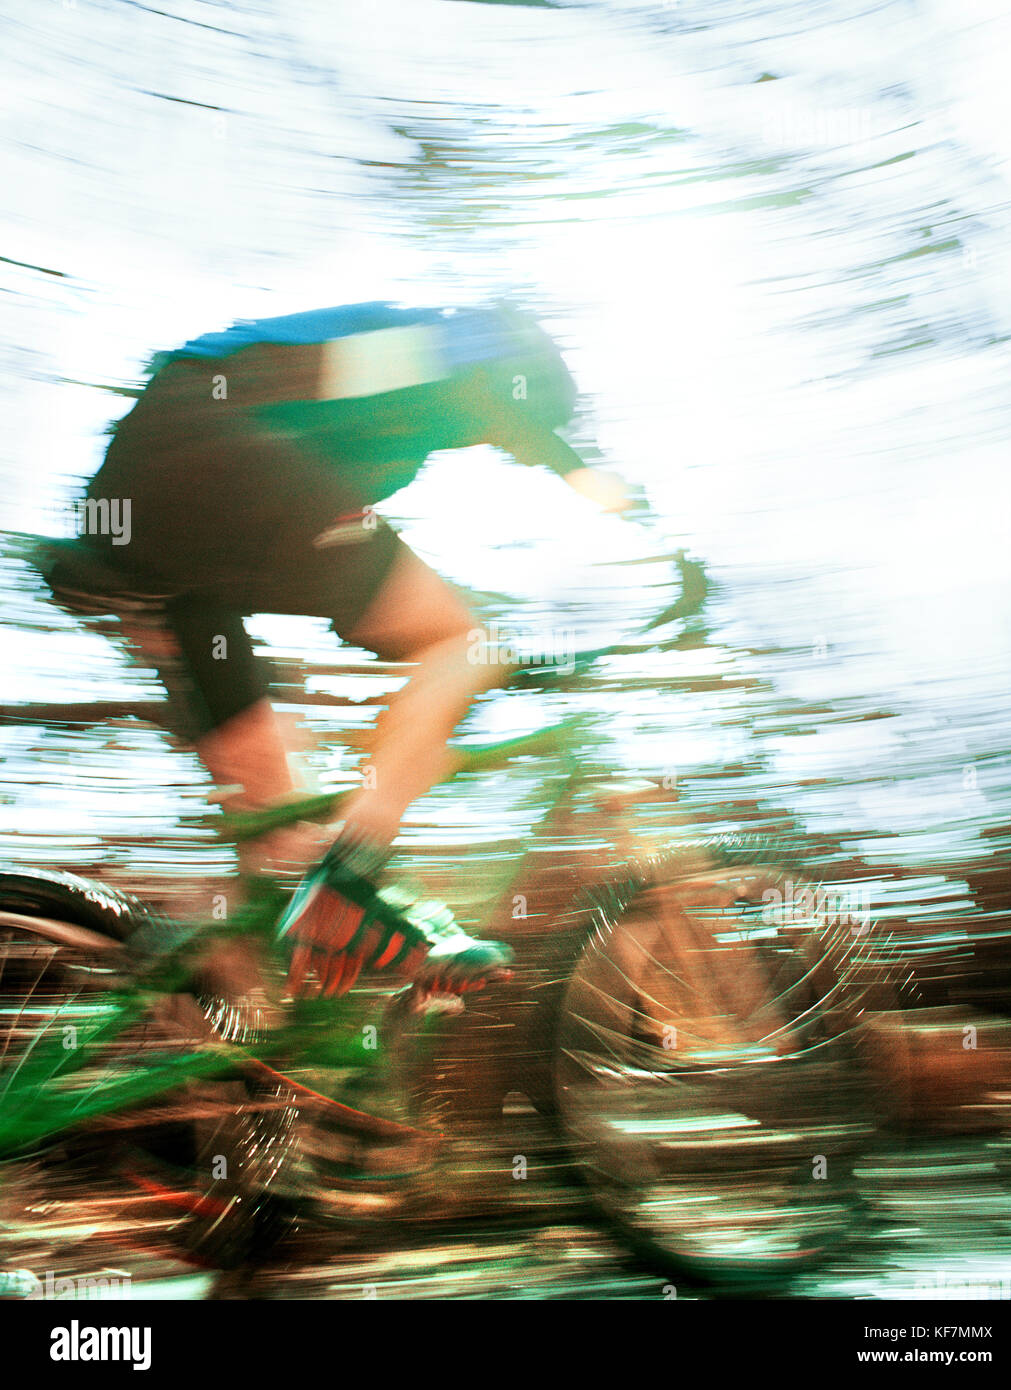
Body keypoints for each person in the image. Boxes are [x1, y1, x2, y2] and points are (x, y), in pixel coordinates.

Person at [79, 300, 631, 999]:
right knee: (462, 641)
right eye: (511, 431)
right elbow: (479, 380)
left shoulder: (384, 415)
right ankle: (351, 876)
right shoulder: (432, 343)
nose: (503, 443)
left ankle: (232, 1056)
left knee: (280, 845)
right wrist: (601, 487)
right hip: (219, 457)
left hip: (153, 533)